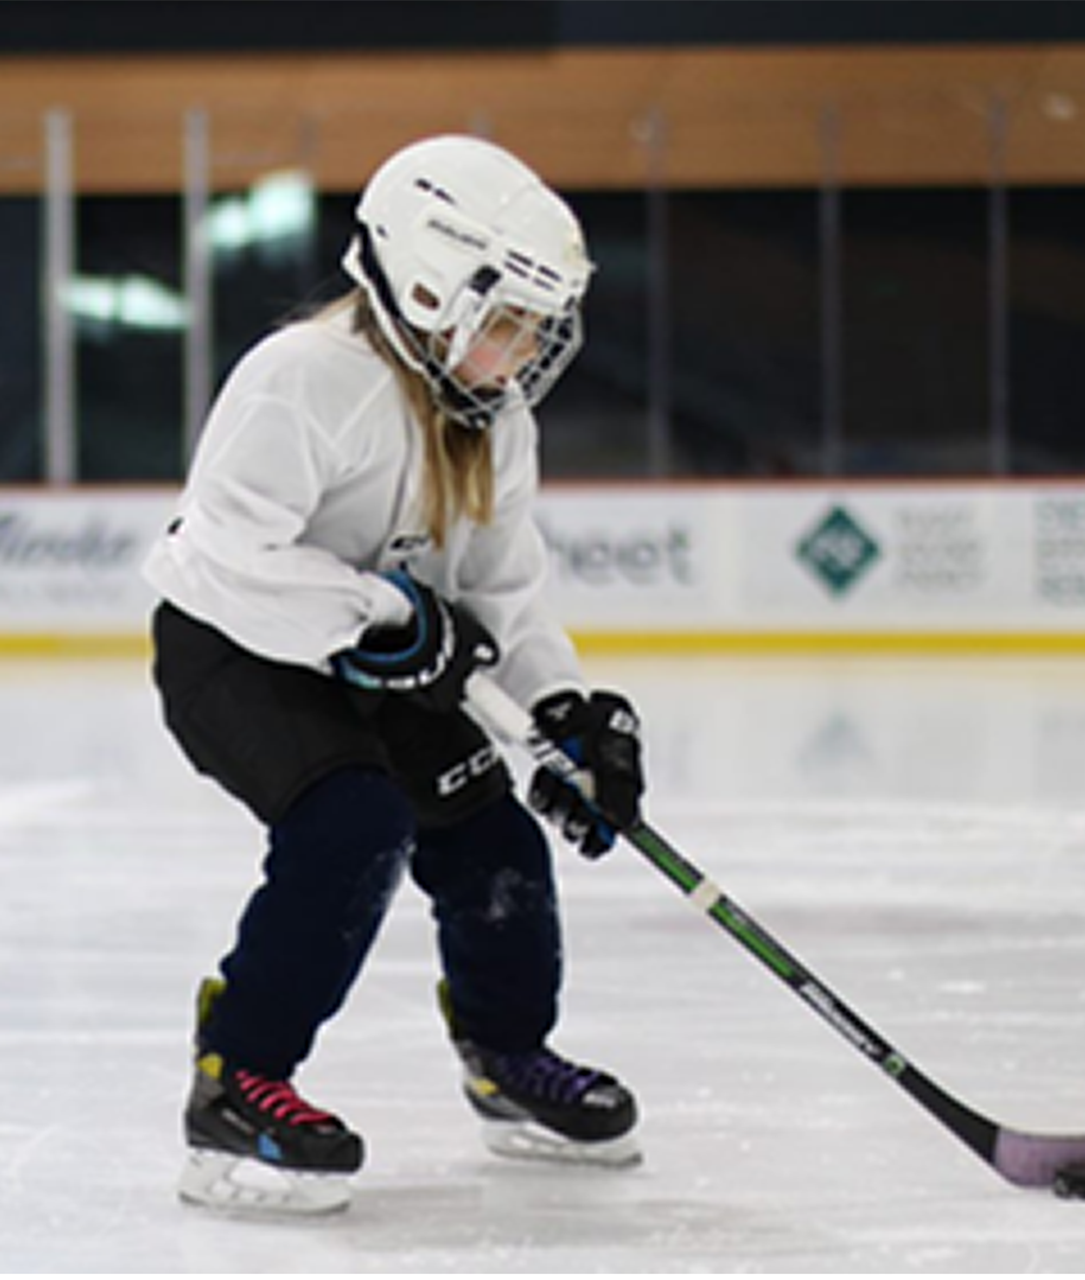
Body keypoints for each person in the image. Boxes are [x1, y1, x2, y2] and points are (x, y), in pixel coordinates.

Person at [143, 134, 649, 1214]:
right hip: (234, 643)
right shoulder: (303, 378)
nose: (522, 348)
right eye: (506, 316)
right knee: (355, 822)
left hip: (380, 653)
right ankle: (237, 1079)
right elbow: (228, 556)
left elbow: (502, 590)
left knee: (493, 837)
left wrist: (565, 713)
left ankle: (507, 1055)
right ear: (428, 283)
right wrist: (381, 612)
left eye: (534, 323)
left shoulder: (496, 419)